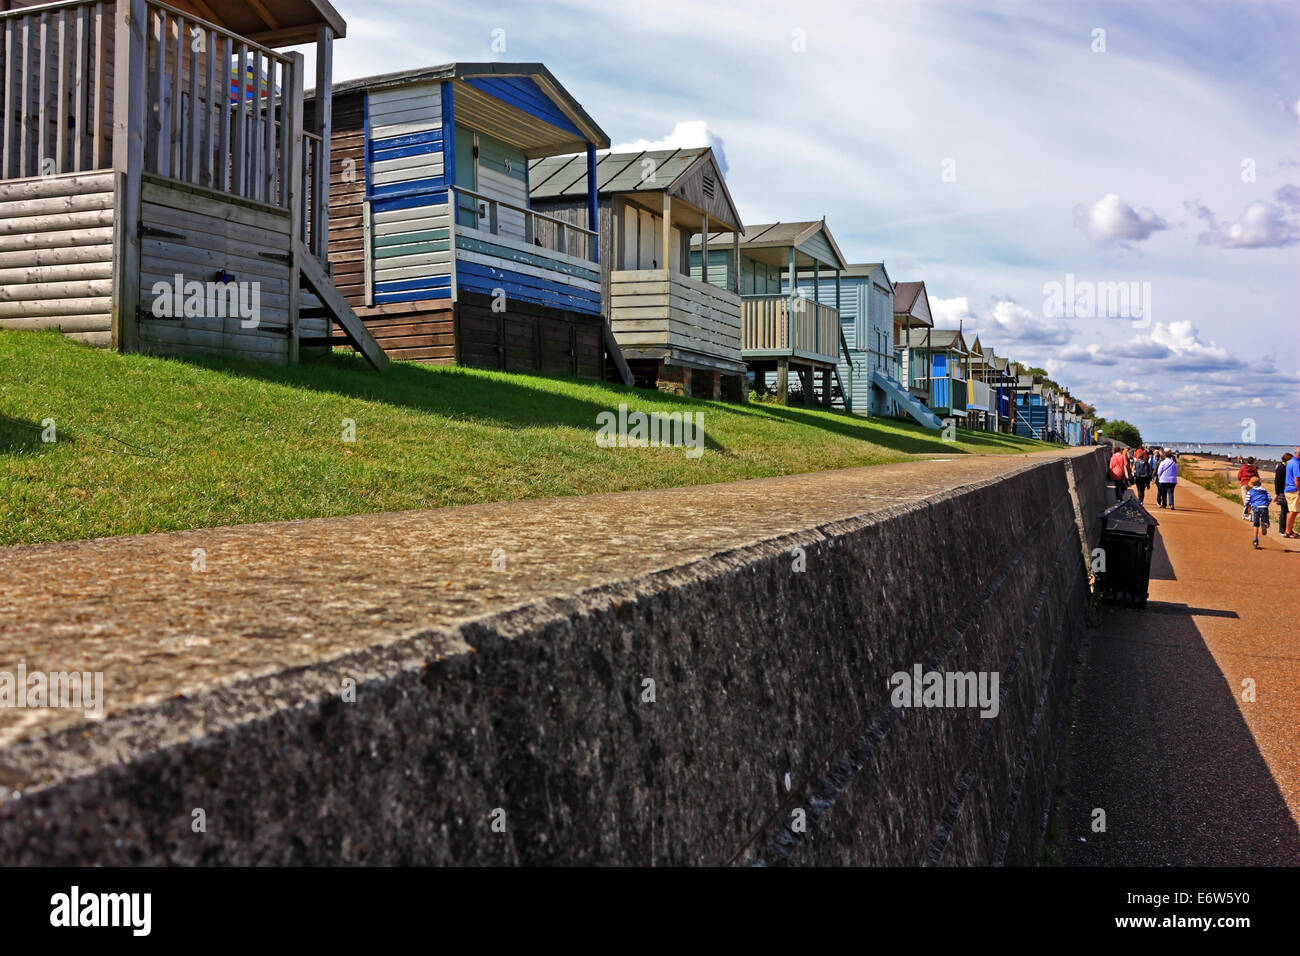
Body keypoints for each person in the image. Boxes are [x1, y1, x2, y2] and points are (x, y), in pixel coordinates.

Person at [1247, 476, 1271, 549]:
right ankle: (1265, 525)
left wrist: (1248, 508)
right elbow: (1269, 498)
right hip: (1264, 507)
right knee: (1266, 521)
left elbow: (1247, 502)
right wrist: (1266, 504)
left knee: (1256, 524)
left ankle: (1255, 540)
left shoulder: (1250, 492)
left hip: (1256, 508)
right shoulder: (1264, 490)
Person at [1285, 447, 1300, 539]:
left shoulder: (1290, 462)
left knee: (1294, 511)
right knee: (1293, 511)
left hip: (1289, 489)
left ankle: (1289, 530)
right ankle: (1288, 531)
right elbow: (1297, 479)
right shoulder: (1296, 463)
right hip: (1294, 490)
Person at [1276, 454, 1292, 537]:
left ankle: (1287, 529)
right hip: (1283, 492)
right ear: (1286, 460)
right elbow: (1277, 482)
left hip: (1286, 491)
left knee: (1288, 511)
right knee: (1284, 511)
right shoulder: (1281, 468)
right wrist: (1278, 493)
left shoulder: (1285, 467)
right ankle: (1283, 529)